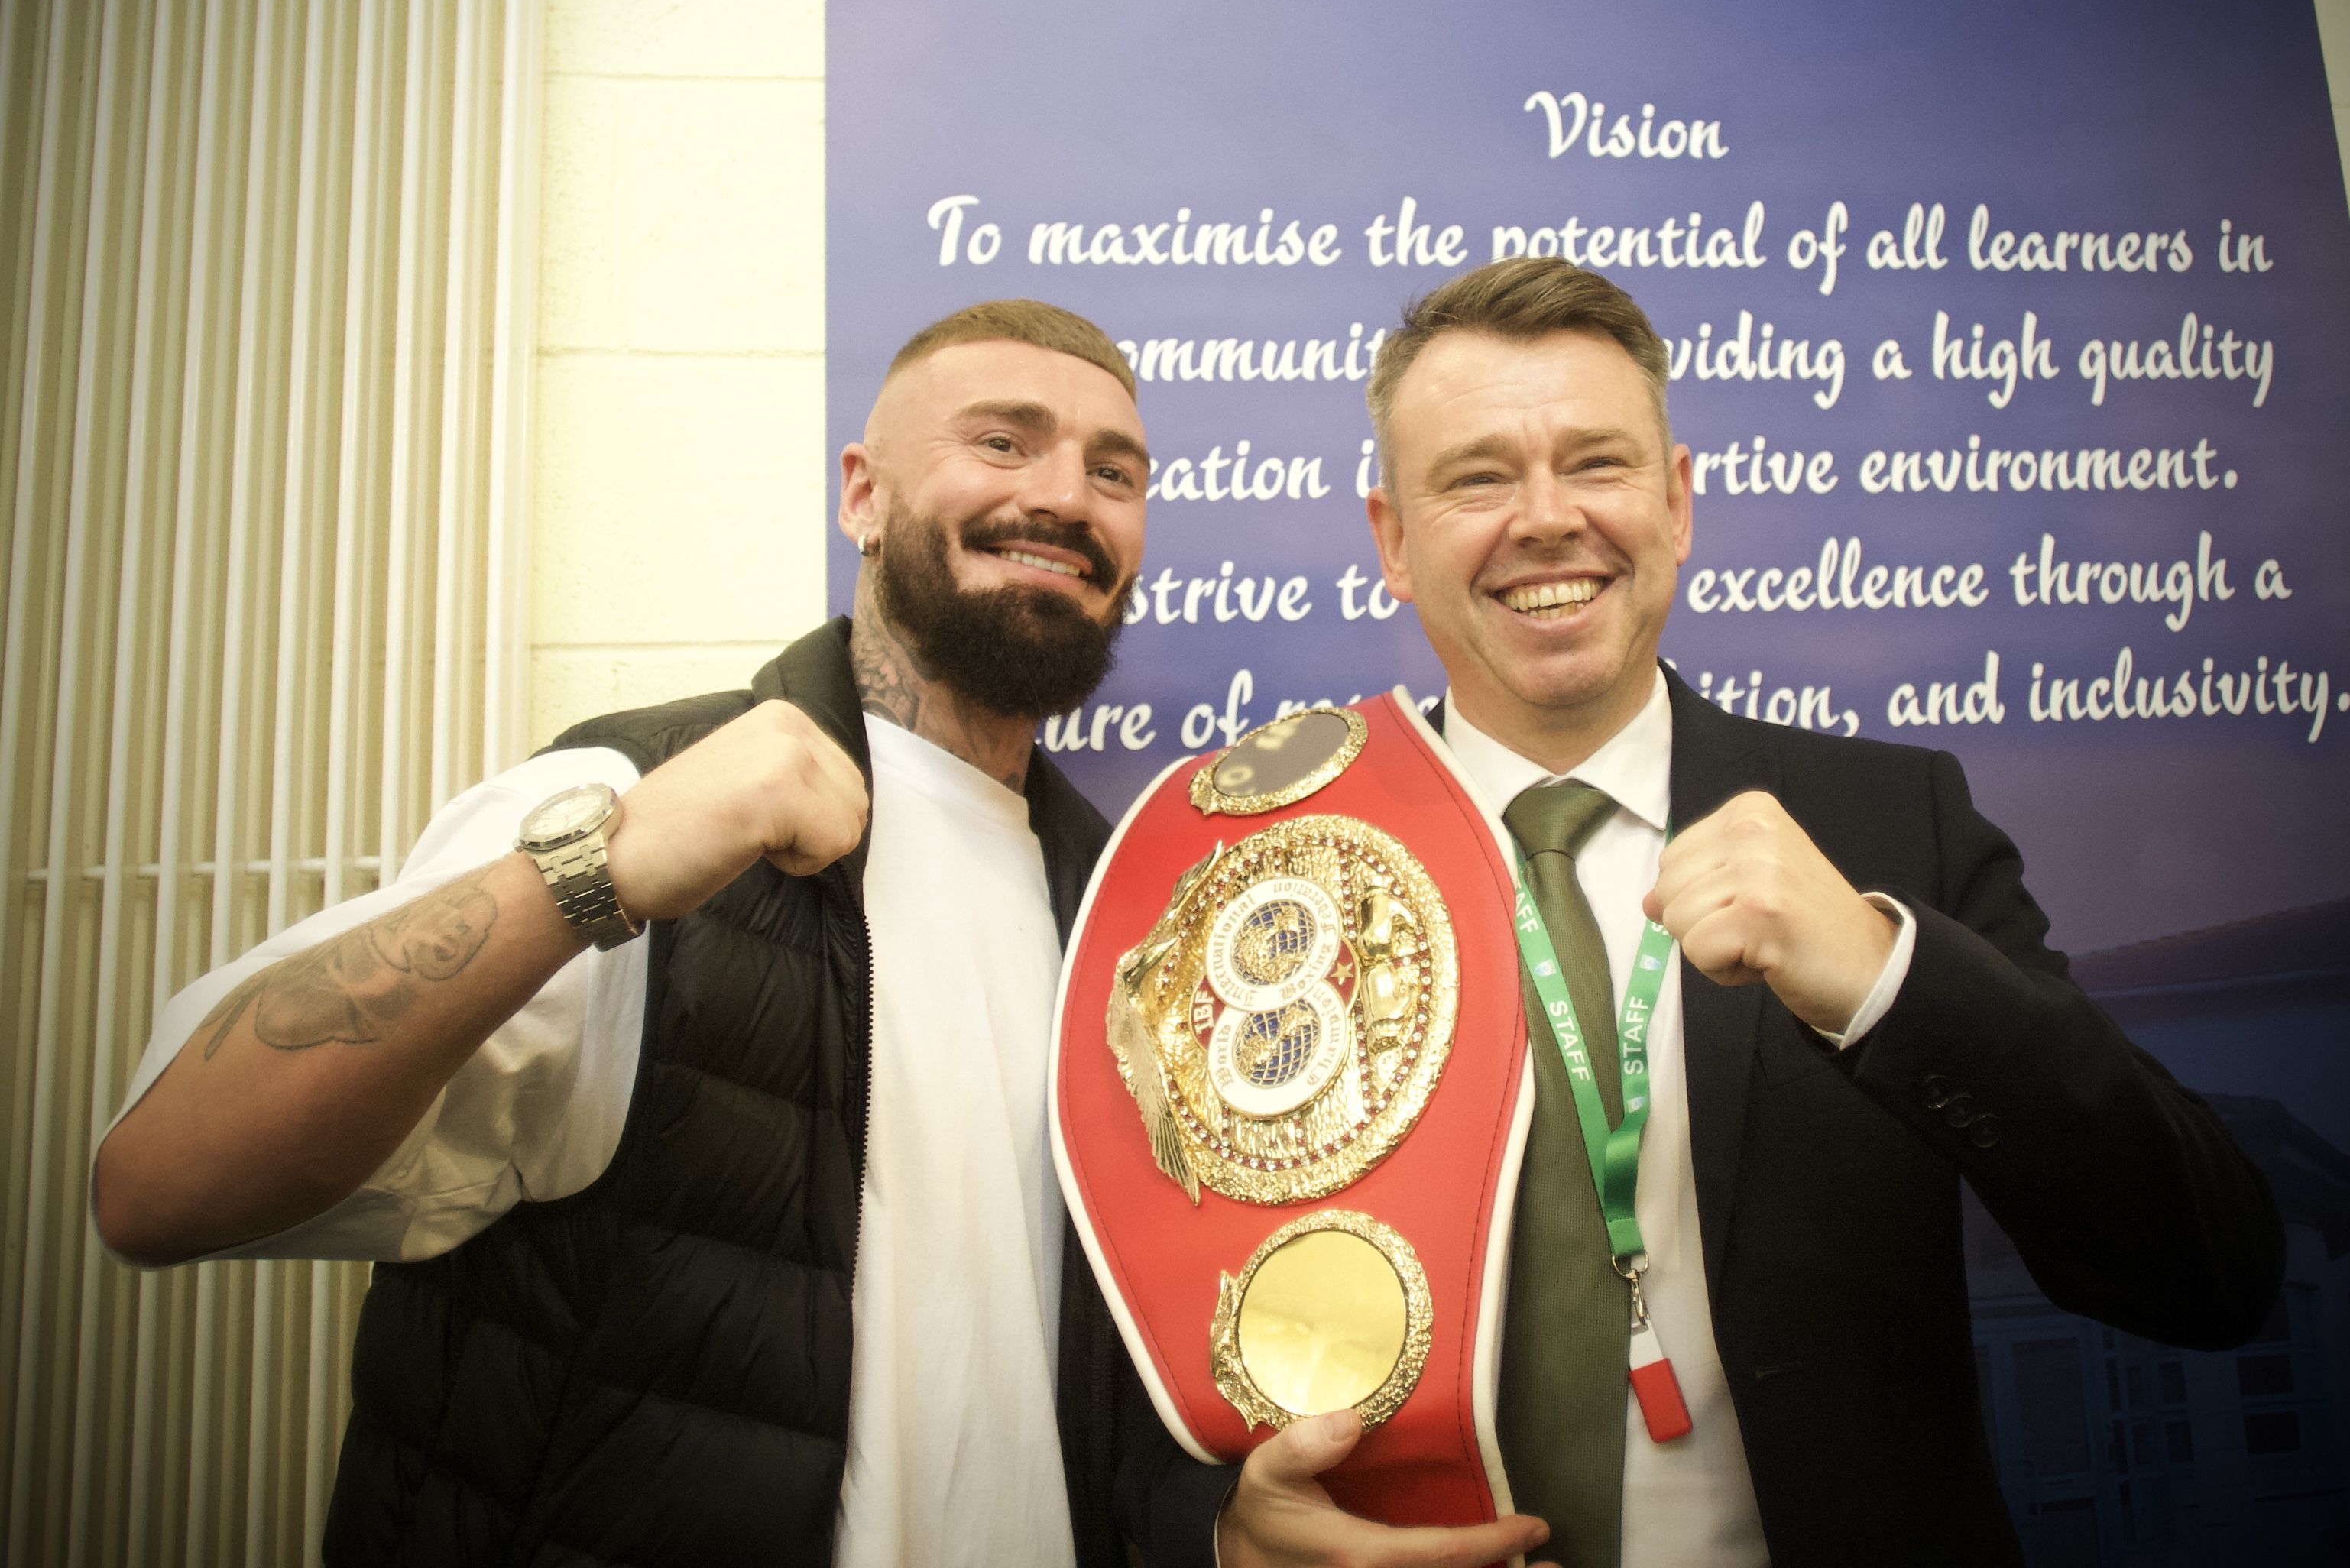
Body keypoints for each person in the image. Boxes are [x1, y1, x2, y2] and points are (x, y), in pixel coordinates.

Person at [1156, 260, 2281, 1568]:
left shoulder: (1891, 823)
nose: (1547, 519)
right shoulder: (1262, 887)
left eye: (1597, 462)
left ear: (1678, 502)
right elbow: (1140, 1325)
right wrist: (1217, 1531)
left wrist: (1886, 983)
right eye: (1477, 478)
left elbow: (2211, 1270)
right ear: (1393, 541)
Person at [93, 300, 1159, 1568]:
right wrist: (593, 872)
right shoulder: (628, 794)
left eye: (1114, 472)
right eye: (1002, 442)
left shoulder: (1122, 910)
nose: (1066, 497)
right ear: (863, 496)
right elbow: (157, 1185)